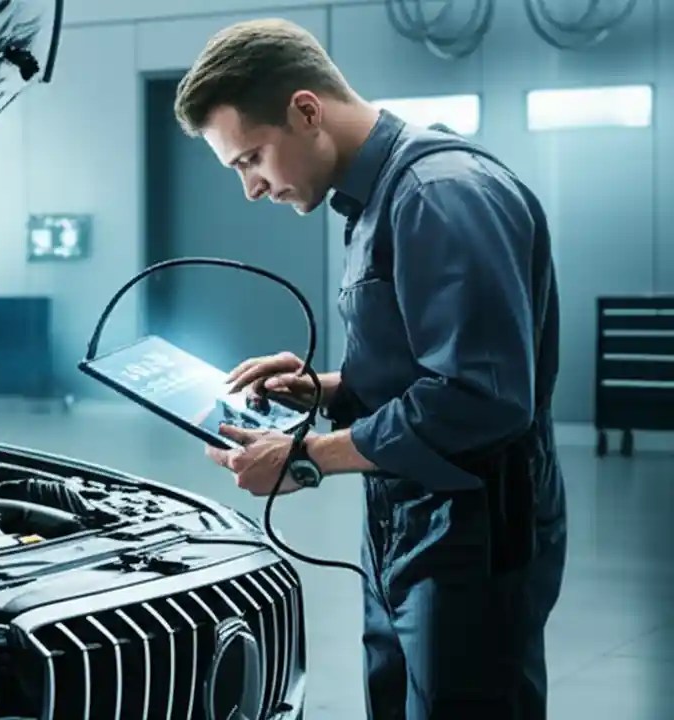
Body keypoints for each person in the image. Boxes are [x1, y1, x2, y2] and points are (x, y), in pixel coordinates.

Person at [173, 18, 568, 720]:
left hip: (473, 531)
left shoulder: (438, 194)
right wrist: (325, 391)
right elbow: (424, 365)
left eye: (251, 159)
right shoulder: (376, 200)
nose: (252, 188)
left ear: (306, 110)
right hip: (409, 520)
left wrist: (306, 457)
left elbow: (481, 396)